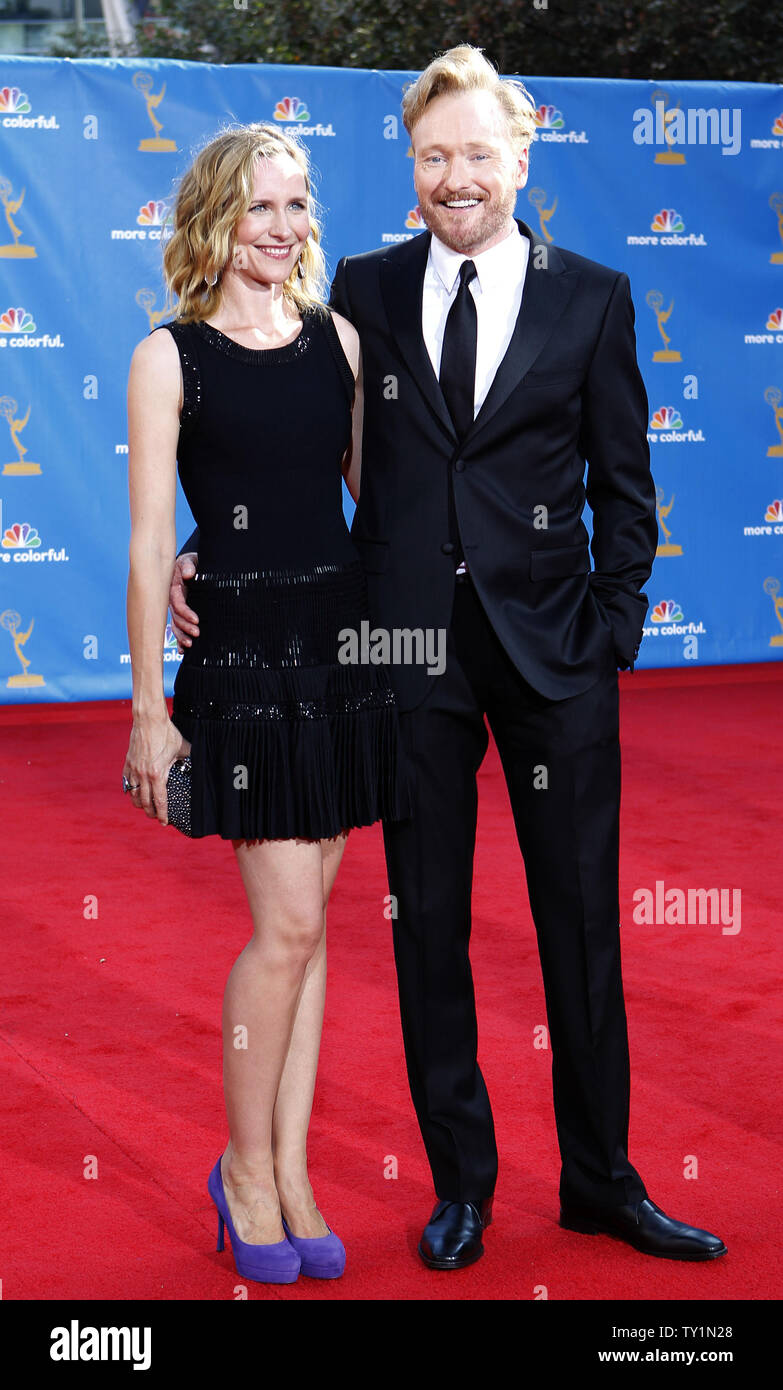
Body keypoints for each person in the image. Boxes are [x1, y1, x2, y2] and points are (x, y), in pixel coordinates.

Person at [170, 48, 726, 1270]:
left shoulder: (594, 297)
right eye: (434, 158)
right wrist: (201, 547)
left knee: (581, 925)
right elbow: (282, 434)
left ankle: (602, 1180)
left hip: (557, 657)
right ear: (410, 169)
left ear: (523, 155)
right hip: (403, 650)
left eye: (478, 154)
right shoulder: (360, 291)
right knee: (428, 929)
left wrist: (612, 630)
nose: (455, 177)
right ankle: (461, 1185)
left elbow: (627, 489)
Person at [123, 122, 408, 1284]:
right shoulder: (168, 356)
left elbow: (359, 497)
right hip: (241, 666)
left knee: (314, 928)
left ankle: (293, 1171)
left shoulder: (338, 339)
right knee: (286, 926)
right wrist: (149, 705)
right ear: (216, 218)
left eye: (295, 205)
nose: (281, 229)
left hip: (339, 654)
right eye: (257, 209)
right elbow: (148, 546)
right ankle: (242, 1171)